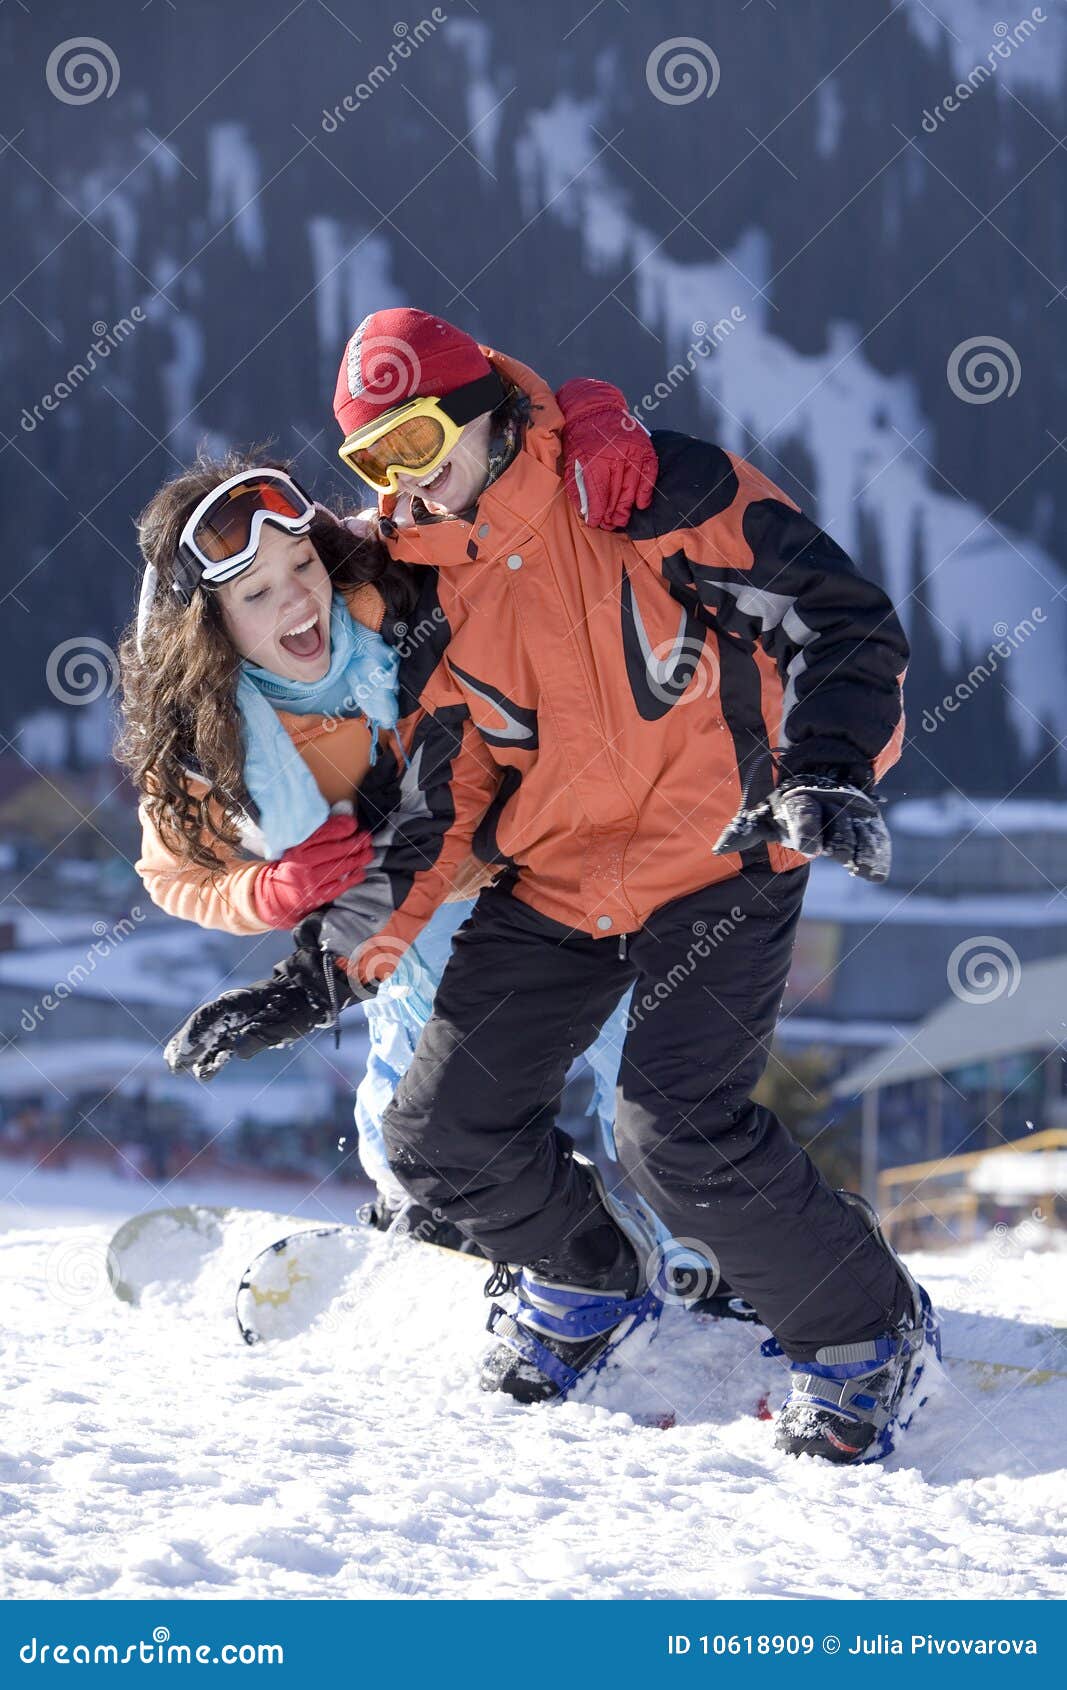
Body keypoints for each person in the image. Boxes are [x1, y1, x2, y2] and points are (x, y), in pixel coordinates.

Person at [167, 308, 938, 1463]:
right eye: (375, 462)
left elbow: (841, 620)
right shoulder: (424, 590)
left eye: (417, 442)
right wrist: (319, 976)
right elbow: (439, 810)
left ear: (479, 410)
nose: (405, 483)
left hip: (718, 849)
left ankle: (869, 1331)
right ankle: (589, 1279)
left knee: (672, 1129)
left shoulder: (646, 489)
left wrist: (824, 768)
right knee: (437, 1132)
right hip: (566, 873)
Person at [118, 373, 659, 1243]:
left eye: (301, 565)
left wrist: (597, 420)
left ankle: (700, 1235)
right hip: (406, 922)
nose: (298, 598)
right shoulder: (206, 747)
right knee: (421, 1060)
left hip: (550, 865)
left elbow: (499, 474)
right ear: (208, 628)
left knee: (634, 1050)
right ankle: (431, 1217)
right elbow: (172, 874)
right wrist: (265, 896)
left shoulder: (397, 590)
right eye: (256, 595)